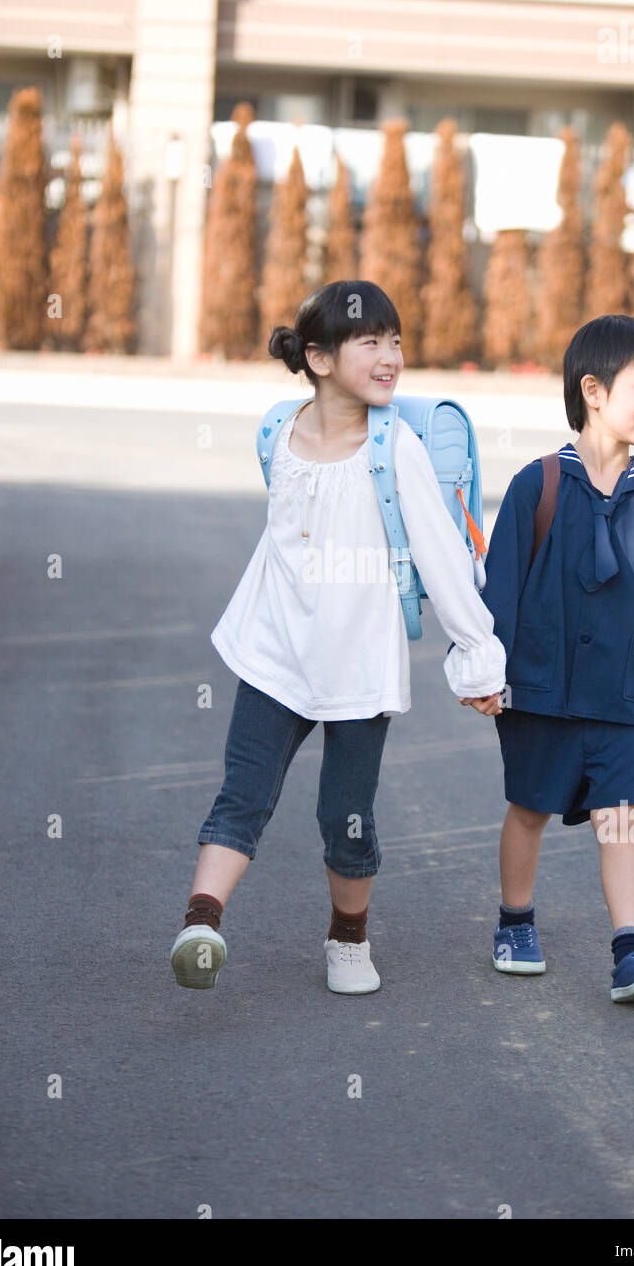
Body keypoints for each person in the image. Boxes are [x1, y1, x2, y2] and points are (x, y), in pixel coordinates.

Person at [170, 280, 507, 996]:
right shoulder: (279, 434)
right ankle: (202, 925)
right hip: (273, 650)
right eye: (371, 342)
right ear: (319, 358)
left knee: (343, 814)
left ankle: (348, 938)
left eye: (396, 341)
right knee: (243, 793)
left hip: (359, 664)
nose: (391, 356)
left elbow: (446, 561)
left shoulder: (397, 448)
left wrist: (477, 658)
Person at [467, 314, 634, 1002]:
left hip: (619, 694)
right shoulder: (536, 487)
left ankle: (631, 951)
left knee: (620, 818)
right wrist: (485, 672)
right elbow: (500, 587)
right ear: (594, 391)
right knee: (529, 810)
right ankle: (515, 921)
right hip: (538, 688)